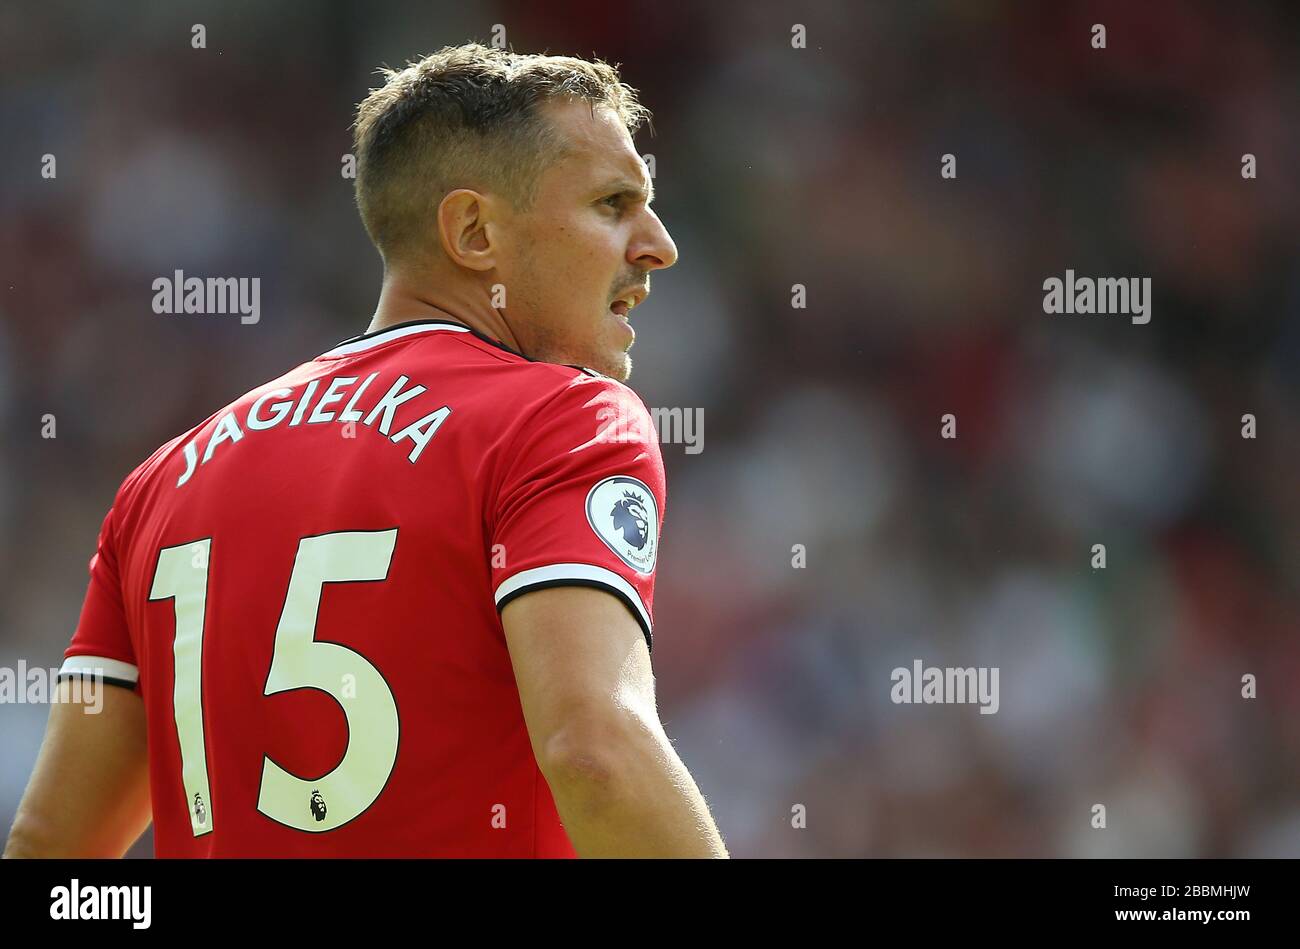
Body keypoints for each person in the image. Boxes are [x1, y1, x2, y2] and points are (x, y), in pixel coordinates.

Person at [4, 43, 727, 858]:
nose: (658, 244)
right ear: (473, 231)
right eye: (612, 204)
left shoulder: (162, 481)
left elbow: (48, 849)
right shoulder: (561, 419)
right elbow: (597, 755)